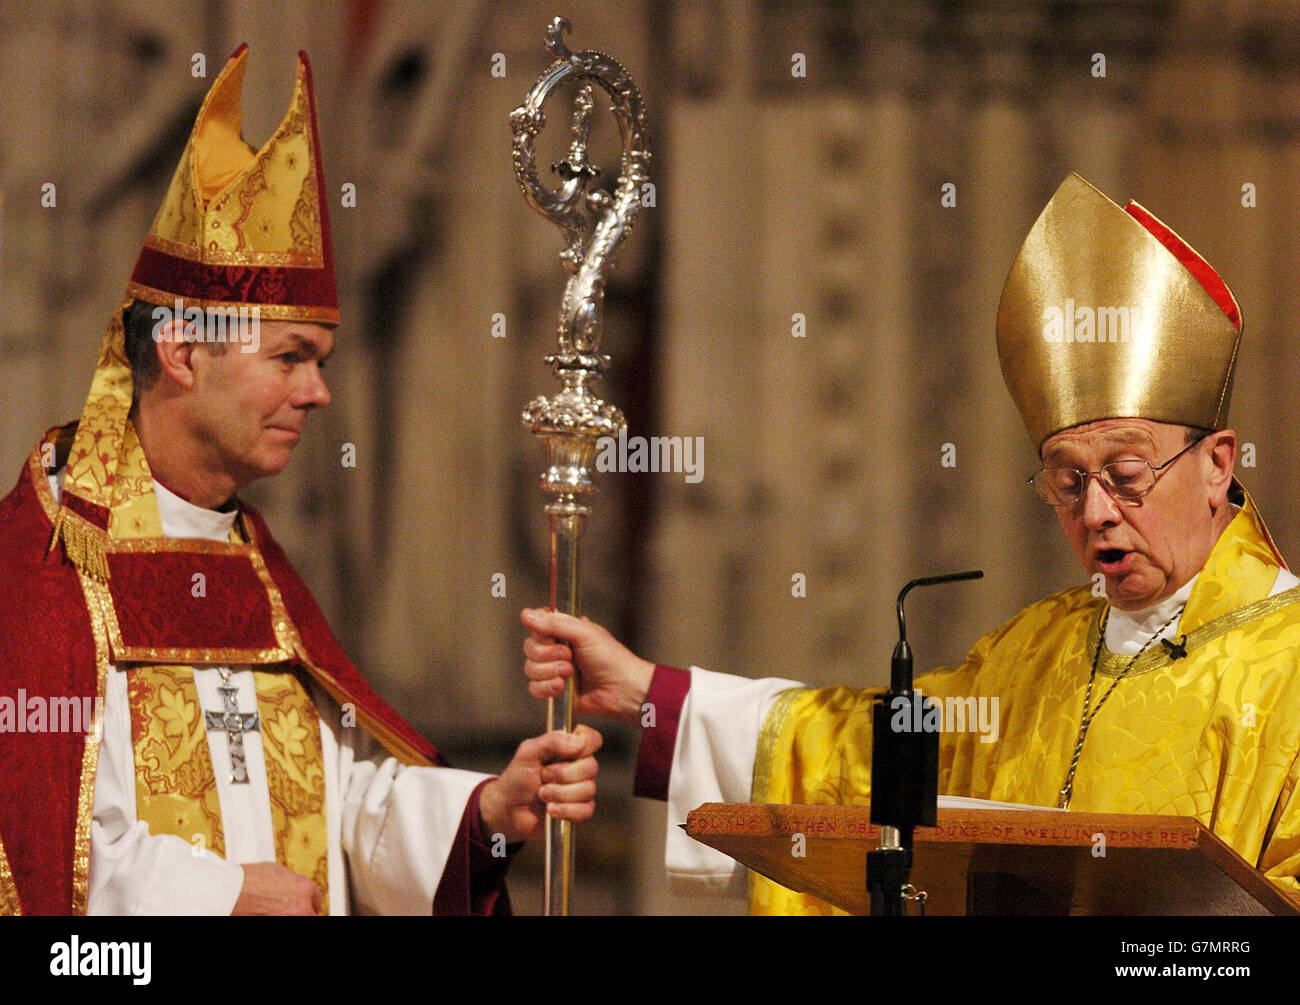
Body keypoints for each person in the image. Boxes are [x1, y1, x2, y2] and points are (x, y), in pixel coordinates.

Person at [521, 173, 1300, 914]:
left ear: (1217, 465)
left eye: (1126, 474)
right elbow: (856, 755)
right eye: (1066, 483)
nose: (1096, 510)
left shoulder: (1289, 663)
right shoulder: (1034, 652)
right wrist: (646, 695)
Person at [0, 46, 600, 917]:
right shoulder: (47, 571)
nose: (318, 392)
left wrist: (485, 812)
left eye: (319, 362)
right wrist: (225, 897)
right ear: (183, 351)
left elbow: (337, 805)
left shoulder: (252, 563)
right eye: (291, 358)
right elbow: (41, 850)